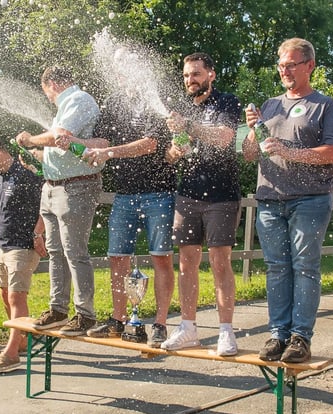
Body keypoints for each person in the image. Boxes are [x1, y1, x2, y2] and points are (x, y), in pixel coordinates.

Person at [243, 38, 333, 363]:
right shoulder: (269, 105)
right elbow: (248, 155)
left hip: (310, 200)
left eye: (291, 64)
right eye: (281, 65)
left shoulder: (325, 105)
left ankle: (301, 337)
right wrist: (250, 130)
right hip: (270, 200)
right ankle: (278, 335)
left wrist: (290, 152)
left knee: (305, 267)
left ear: (309, 66)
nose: (284, 71)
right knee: (276, 268)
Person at [160, 53, 242, 356]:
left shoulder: (226, 102)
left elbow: (223, 138)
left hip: (222, 195)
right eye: (185, 75)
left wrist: (189, 127)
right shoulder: (181, 109)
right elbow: (173, 153)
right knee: (186, 264)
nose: (189, 80)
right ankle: (188, 328)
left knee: (221, 263)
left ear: (211, 75)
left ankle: (225, 332)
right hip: (188, 194)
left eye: (195, 74)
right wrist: (175, 151)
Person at [82, 89, 177, 347]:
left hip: (159, 192)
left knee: (161, 257)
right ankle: (118, 320)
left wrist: (109, 153)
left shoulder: (156, 100)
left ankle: (160, 324)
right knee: (117, 258)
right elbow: (102, 142)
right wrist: (72, 140)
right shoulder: (113, 102)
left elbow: (150, 144)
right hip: (124, 195)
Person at [14, 65, 104, 336]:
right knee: (55, 252)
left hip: (76, 188)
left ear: (52, 84)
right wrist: (38, 159)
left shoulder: (78, 100)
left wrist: (30, 140)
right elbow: (62, 148)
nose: (48, 98)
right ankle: (58, 309)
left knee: (75, 252)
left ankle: (85, 315)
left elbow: (59, 137)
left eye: (47, 93)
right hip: (53, 187)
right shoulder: (65, 107)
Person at [0, 136, 47, 372]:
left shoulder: (26, 175)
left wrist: (38, 234)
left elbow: (47, 203)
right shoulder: (2, 176)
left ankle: (12, 353)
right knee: (5, 295)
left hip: (23, 245)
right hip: (3, 245)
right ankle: (22, 340)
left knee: (17, 298)